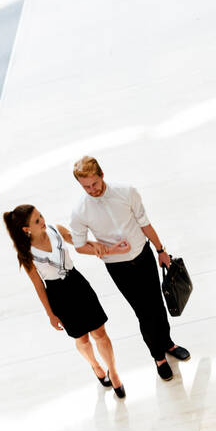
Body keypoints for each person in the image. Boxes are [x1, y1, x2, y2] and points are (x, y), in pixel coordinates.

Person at [69, 156, 190, 381]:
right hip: (119, 268)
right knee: (143, 312)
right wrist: (109, 250)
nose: (91, 190)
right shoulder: (80, 211)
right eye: (85, 186)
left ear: (102, 175)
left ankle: (168, 344)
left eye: (94, 183)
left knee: (157, 303)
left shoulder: (126, 192)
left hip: (143, 257)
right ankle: (158, 357)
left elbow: (144, 223)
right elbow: (79, 246)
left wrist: (160, 250)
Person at [3, 204, 126, 396]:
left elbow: (80, 243)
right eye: (37, 221)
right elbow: (38, 285)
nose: (42, 221)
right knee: (82, 338)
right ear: (26, 229)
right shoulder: (26, 254)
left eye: (41, 215)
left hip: (77, 282)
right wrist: (50, 314)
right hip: (58, 293)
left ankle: (114, 373)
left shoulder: (55, 230)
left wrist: (103, 248)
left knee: (100, 332)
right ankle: (95, 365)